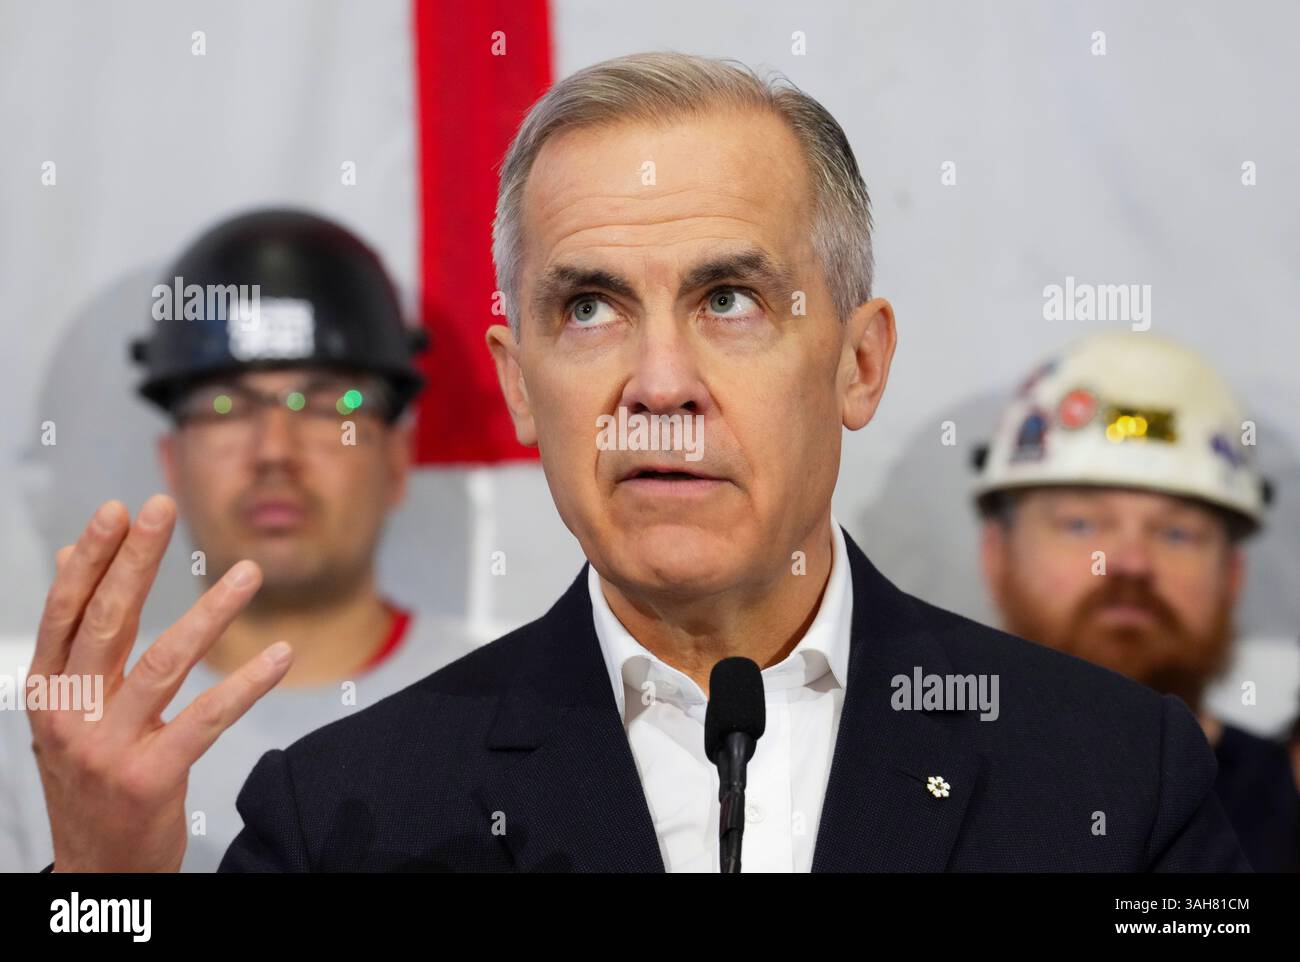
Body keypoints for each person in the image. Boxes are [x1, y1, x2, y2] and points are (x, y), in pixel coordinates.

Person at [32, 53, 1246, 872]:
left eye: (728, 297)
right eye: (592, 309)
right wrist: (99, 892)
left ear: (859, 364)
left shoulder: (1116, 777)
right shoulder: (342, 815)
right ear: (516, 383)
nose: (658, 385)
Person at [2, 209, 479, 871]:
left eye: (328, 403)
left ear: (397, 461)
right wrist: (99, 876)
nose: (274, 451)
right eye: (227, 406)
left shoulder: (511, 720)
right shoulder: (58, 746)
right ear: (172, 462)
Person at [971, 329, 1299, 871]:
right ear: (996, 556)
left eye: (1177, 533)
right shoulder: (894, 790)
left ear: (1233, 575)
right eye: (1080, 523)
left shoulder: (1289, 807)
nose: (1130, 563)